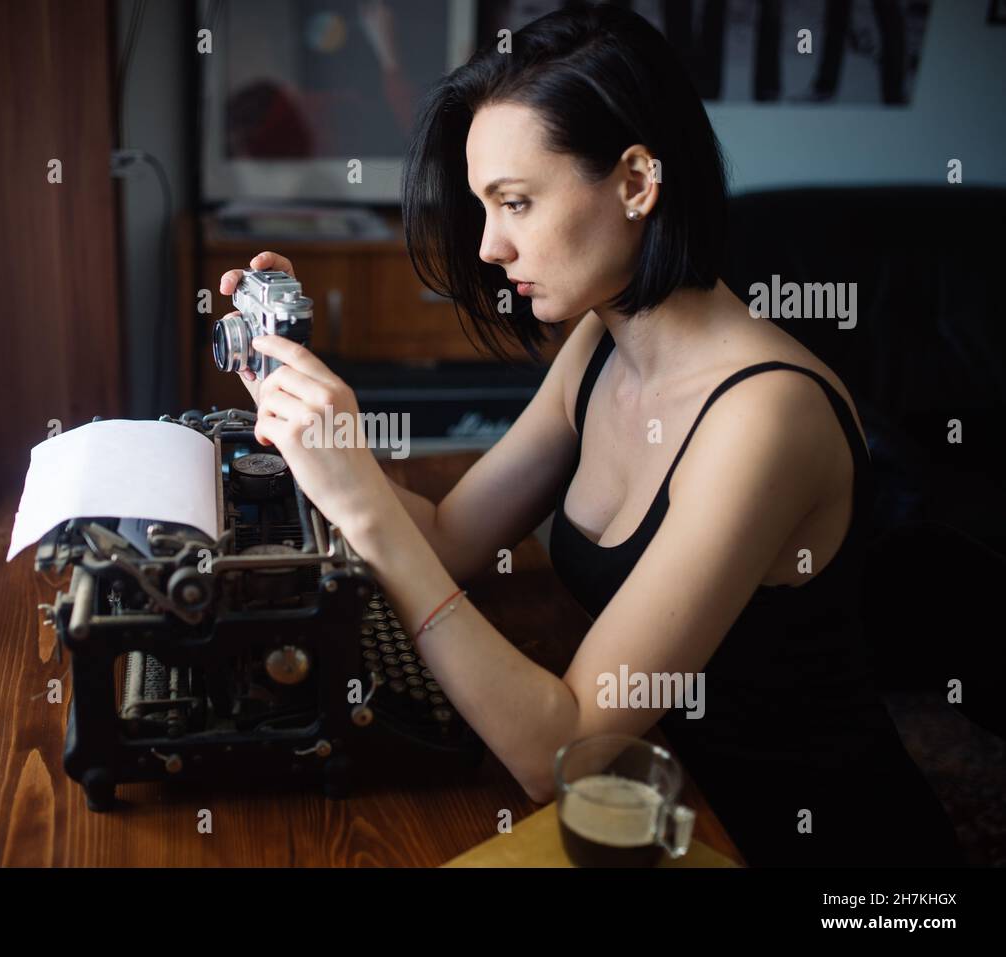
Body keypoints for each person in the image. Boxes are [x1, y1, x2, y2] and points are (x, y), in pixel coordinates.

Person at [216, 1, 963, 866]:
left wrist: (365, 510)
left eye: (518, 202)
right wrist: (297, 395)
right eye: (483, 206)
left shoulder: (765, 419)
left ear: (638, 183)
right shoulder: (601, 345)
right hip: (656, 799)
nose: (490, 246)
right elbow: (453, 539)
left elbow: (556, 752)